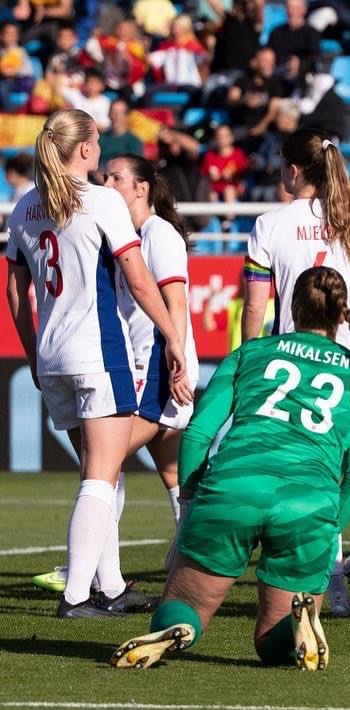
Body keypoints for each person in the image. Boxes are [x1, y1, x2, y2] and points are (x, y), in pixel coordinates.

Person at [111, 266, 350, 670]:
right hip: (307, 505)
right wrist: (330, 525)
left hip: (234, 488)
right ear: (341, 314)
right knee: (269, 645)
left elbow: (200, 431)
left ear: (290, 306)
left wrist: (189, 500)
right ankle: (295, 633)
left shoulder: (250, 352)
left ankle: (180, 629)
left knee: (185, 604)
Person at [5, 109, 191, 618]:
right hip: (98, 353)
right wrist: (173, 336)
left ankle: (109, 586)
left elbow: (15, 293)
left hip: (52, 356)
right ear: (85, 149)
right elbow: (137, 279)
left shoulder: (25, 206)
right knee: (100, 477)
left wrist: (34, 355)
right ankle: (75, 596)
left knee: (100, 471)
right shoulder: (102, 201)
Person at [241, 128, 350, 617]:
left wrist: (250, 361)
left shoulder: (269, 224)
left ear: (294, 170)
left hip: (294, 362)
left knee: (317, 471)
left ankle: (329, 570)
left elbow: (256, 307)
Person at [104, 154, 199, 531]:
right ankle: (192, 558)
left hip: (157, 367)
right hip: (142, 363)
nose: (107, 186)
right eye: (104, 178)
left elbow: (176, 303)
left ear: (141, 189)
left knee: (104, 459)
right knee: (174, 472)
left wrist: (178, 367)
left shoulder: (158, 234)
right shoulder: (125, 236)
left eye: (115, 179)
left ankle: (90, 563)